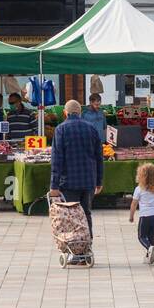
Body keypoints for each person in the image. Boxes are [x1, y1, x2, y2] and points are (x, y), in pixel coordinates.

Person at [48, 99, 104, 236]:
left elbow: (57, 159)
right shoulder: (91, 128)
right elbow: (99, 157)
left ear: (65, 113)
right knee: (86, 213)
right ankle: (87, 244)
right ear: (80, 112)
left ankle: (74, 245)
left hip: (69, 182)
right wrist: (99, 181)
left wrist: (54, 185)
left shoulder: (61, 129)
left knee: (71, 215)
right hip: (88, 181)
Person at [129, 162, 154, 264]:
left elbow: (134, 204)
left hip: (145, 216)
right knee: (152, 237)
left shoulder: (139, 189)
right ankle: (149, 256)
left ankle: (149, 248)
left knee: (141, 236)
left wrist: (131, 216)